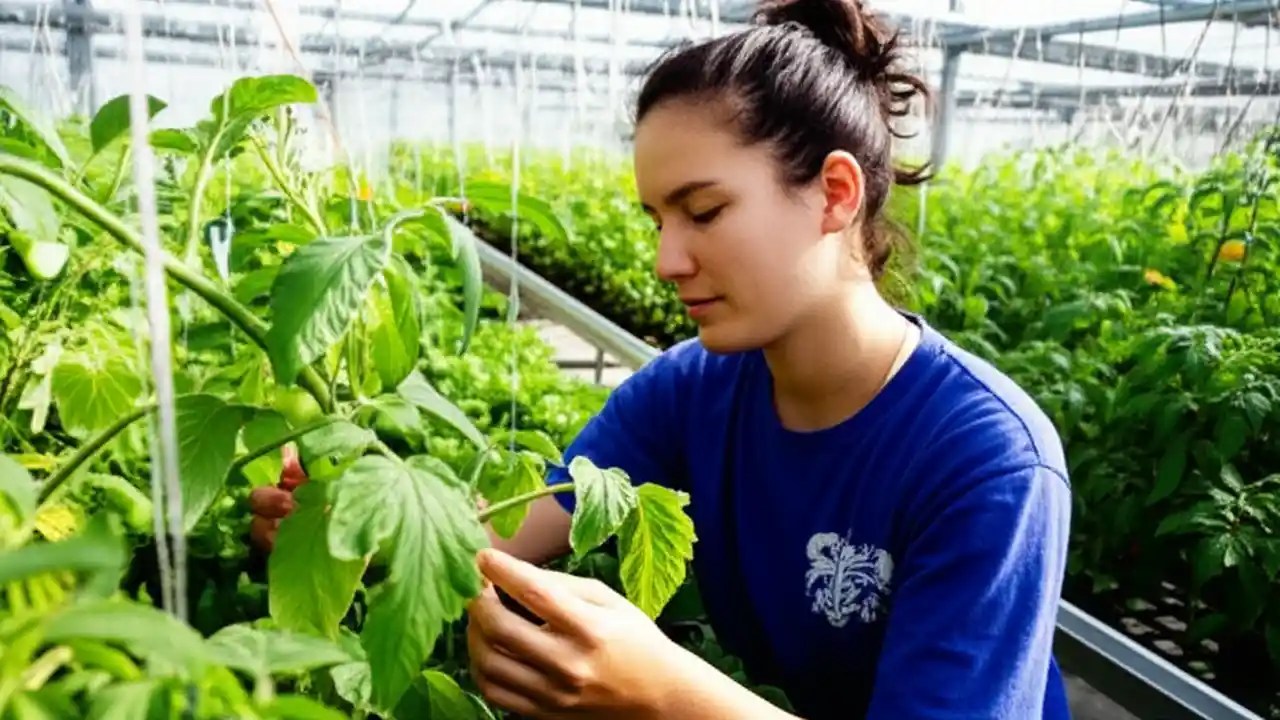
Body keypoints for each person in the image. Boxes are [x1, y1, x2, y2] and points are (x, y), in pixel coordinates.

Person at [250, 0, 1074, 717]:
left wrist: (664, 694)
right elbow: (504, 532)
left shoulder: (988, 462)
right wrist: (357, 527)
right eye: (655, 220)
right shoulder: (693, 389)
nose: (665, 260)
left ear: (835, 194)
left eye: (704, 212)